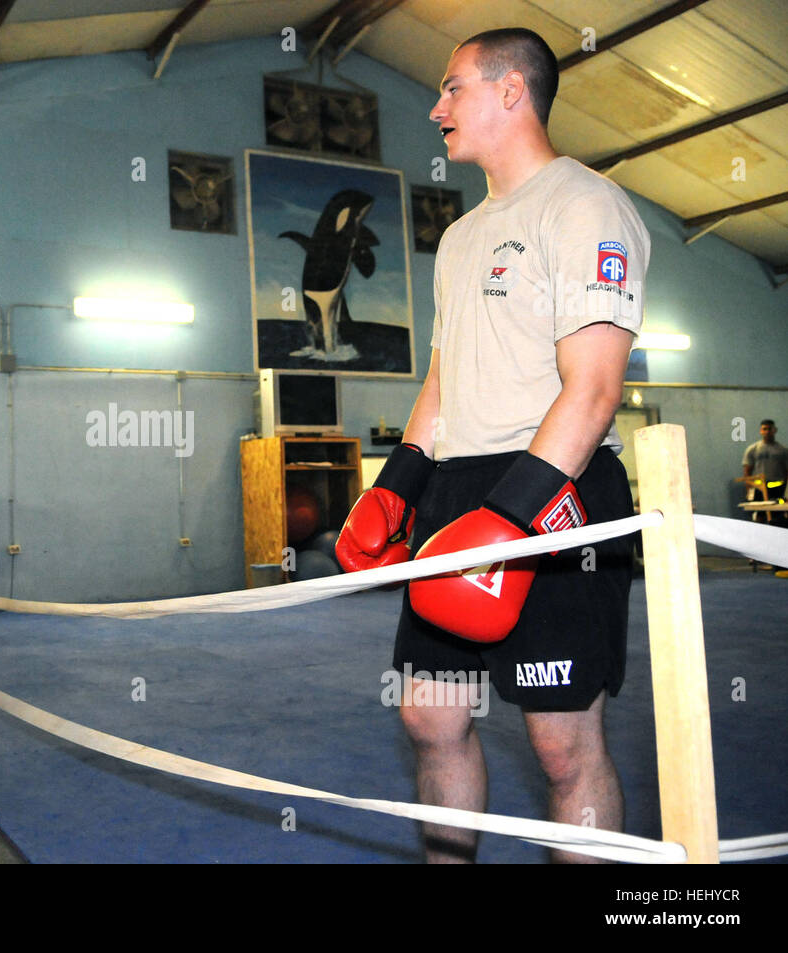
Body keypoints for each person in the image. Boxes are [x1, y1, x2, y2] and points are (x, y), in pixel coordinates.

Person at [336, 28, 648, 863]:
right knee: (430, 716)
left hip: (556, 493)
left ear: (512, 91)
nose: (435, 108)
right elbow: (443, 379)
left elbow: (593, 389)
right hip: (456, 494)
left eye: (452, 88)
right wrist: (397, 484)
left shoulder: (587, 205)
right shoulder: (462, 236)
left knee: (561, 743)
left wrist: (509, 517)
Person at [741, 419, 788, 528]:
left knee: (778, 516)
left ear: (775, 430)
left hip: (778, 489)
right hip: (759, 489)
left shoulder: (783, 451)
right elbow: (747, 472)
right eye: (764, 429)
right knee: (759, 516)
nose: (767, 431)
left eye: (770, 429)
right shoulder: (753, 449)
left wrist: (787, 493)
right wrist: (749, 492)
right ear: (761, 431)